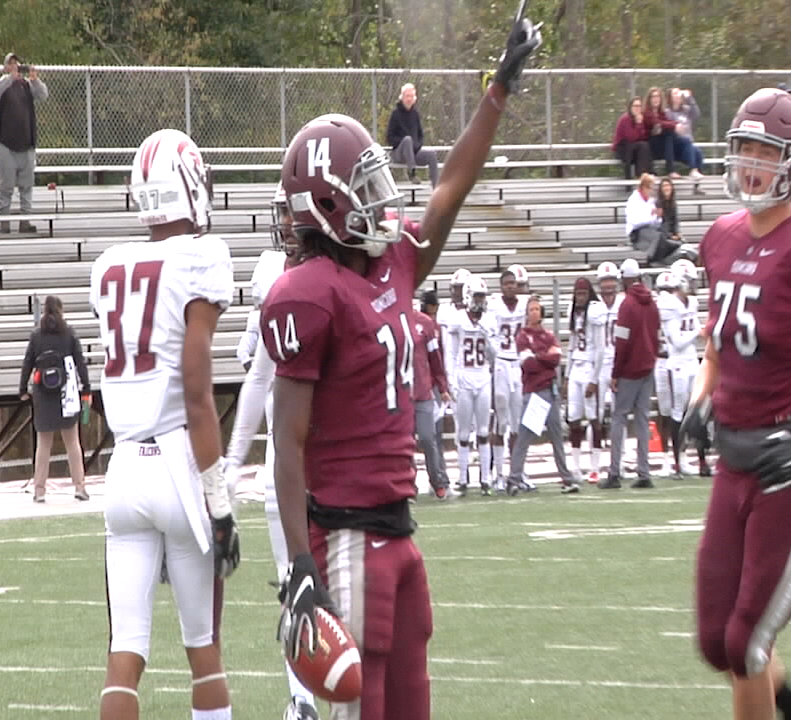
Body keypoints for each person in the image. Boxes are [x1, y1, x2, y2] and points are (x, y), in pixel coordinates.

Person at [263, 13, 542, 720]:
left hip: (399, 529)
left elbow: (450, 189)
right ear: (327, 205)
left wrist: (498, 92)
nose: (383, 199)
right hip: (348, 534)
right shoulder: (309, 294)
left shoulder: (389, 264)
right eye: (365, 185)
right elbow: (287, 447)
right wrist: (299, 567)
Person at [679, 87, 791, 720]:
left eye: (766, 151)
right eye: (744, 149)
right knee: (714, 641)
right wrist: (704, 394)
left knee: (745, 642)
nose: (752, 164)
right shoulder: (722, 237)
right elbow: (720, 341)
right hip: (734, 457)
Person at [90, 128, 240, 720]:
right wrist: (219, 502)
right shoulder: (202, 257)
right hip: (178, 462)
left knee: (123, 654)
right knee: (205, 650)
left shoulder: (108, 265)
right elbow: (198, 395)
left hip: (123, 469)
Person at [222, 185, 320, 720]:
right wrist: (234, 465)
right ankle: (301, 699)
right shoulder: (271, 273)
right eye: (280, 211)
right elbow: (258, 375)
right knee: (294, 586)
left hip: (334, 461)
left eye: (289, 210)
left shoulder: (336, 272)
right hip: (286, 464)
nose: (284, 223)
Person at [18, 294, 90, 503]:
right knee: (72, 442)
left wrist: (23, 388)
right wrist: (86, 387)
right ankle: (79, 487)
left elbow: (27, 363)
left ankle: (39, 490)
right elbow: (80, 362)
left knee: (43, 443)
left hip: (43, 393)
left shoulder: (37, 335)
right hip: (66, 391)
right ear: (60, 310)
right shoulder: (69, 333)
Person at [505, 294, 577, 495]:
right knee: (525, 438)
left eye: (537, 309)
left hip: (550, 390)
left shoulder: (548, 335)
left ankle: (567, 477)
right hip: (535, 392)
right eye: (531, 309)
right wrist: (543, 359)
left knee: (557, 437)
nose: (534, 312)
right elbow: (528, 364)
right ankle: (514, 478)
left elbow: (555, 358)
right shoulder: (522, 336)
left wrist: (540, 357)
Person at [604, 258, 659, 490]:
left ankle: (615, 472)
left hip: (629, 370)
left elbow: (622, 341)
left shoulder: (627, 305)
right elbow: (657, 333)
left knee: (619, 418)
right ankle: (644, 471)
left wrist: (616, 372)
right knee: (643, 420)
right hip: (648, 367)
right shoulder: (652, 303)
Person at [447, 275, 497, 494]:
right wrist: (451, 379)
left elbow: (495, 357)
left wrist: (489, 340)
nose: (480, 300)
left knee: (484, 430)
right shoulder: (458, 318)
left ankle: (486, 479)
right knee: (464, 433)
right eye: (477, 296)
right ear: (468, 296)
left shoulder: (489, 320)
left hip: (483, 376)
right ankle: (463, 479)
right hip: (464, 376)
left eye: (482, 296)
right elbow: (451, 352)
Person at [0, 52, 48, 234]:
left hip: (27, 145)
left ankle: (25, 221)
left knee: (26, 185)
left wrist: (35, 80)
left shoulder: (27, 86)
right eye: (11, 64)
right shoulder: (1, 85)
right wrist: (9, 78)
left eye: (17, 64)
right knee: (6, 185)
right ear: (6, 67)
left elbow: (43, 95)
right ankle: (4, 220)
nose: (15, 67)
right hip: (7, 145)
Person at [659, 260, 705, 477]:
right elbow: (677, 341)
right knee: (677, 411)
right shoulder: (669, 305)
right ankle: (677, 461)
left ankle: (702, 460)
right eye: (691, 280)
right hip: (676, 363)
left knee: (696, 408)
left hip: (691, 360)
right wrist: (699, 332)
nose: (694, 285)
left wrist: (700, 331)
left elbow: (694, 327)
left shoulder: (691, 303)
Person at [488, 268, 528, 490]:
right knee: (500, 421)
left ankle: (516, 472)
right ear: (501, 286)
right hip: (502, 361)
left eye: (513, 283)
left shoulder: (524, 304)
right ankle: (499, 474)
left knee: (516, 422)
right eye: (507, 283)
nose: (511, 286)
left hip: (517, 362)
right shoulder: (494, 305)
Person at [586, 261, 624, 484]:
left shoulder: (623, 303)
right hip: (599, 362)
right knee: (597, 414)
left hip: (618, 361)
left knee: (618, 412)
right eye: (605, 283)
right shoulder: (594, 306)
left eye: (611, 282)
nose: (608, 287)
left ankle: (618, 461)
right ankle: (595, 465)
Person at [412, 300, 452, 500]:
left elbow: (434, 357)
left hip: (422, 392)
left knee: (428, 439)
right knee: (404, 443)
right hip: (399, 394)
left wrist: (442, 386)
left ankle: (437, 480)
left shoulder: (424, 323)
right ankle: (408, 483)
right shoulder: (389, 319)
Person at [566, 276, 601, 484]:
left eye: (583, 294)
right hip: (576, 368)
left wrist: (594, 379)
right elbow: (570, 346)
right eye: (578, 294)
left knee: (594, 418)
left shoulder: (594, 312)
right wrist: (567, 375)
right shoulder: (574, 312)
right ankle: (576, 466)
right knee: (574, 418)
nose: (580, 297)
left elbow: (599, 348)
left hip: (588, 367)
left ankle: (595, 467)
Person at [625, 173, 694, 265]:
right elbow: (634, 222)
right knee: (659, 238)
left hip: (650, 230)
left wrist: (657, 217)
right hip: (637, 232)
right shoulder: (634, 200)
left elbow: (657, 223)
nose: (652, 191)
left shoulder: (651, 201)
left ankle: (658, 260)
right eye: (650, 188)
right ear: (644, 187)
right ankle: (653, 260)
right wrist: (650, 217)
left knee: (662, 237)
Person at [386, 83, 439, 187]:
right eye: (407, 96)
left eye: (411, 96)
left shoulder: (415, 114)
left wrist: (416, 146)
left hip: (413, 153)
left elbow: (420, 135)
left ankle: (436, 188)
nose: (409, 99)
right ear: (402, 97)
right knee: (407, 140)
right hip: (399, 153)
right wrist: (406, 143)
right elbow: (389, 137)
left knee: (431, 154)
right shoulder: (395, 114)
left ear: (414, 98)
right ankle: (412, 173)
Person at [653, 271, 677, 476]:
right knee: (664, 410)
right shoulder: (654, 308)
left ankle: (681, 456)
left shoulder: (684, 306)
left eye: (670, 290)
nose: (667, 295)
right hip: (661, 360)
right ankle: (666, 457)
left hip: (678, 360)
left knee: (680, 410)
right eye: (664, 291)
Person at [665, 87, 706, 180]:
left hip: (687, 146)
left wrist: (690, 98)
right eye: (675, 93)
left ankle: (697, 184)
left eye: (679, 93)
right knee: (687, 142)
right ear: (670, 98)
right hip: (676, 145)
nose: (678, 95)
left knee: (698, 153)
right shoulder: (668, 112)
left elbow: (696, 114)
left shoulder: (686, 110)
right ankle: (692, 170)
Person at [612, 96, 651, 180]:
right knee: (636, 145)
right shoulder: (625, 119)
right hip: (622, 149)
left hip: (633, 149)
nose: (637, 108)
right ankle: (632, 178)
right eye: (635, 106)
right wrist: (639, 124)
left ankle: (642, 175)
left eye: (639, 106)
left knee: (645, 145)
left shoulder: (640, 118)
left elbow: (643, 137)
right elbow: (631, 137)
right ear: (630, 107)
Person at [643, 86, 678, 178]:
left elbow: (666, 122)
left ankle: (693, 170)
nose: (656, 99)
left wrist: (676, 125)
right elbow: (657, 122)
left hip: (661, 146)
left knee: (677, 137)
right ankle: (671, 170)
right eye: (653, 97)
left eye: (658, 96)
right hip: (649, 147)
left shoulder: (662, 113)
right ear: (649, 99)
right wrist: (675, 125)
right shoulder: (646, 113)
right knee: (669, 132)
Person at [658, 176, 680, 241]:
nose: (666, 188)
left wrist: (677, 232)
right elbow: (659, 224)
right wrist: (670, 236)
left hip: (672, 234)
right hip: (662, 235)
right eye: (664, 186)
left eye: (668, 185)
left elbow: (675, 220)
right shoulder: (657, 204)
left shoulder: (673, 203)